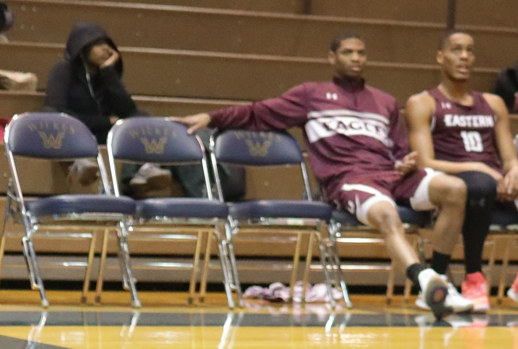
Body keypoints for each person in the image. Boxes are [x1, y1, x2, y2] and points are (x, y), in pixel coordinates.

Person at [182, 33, 473, 316]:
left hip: (391, 175)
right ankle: (425, 282)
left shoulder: (384, 101)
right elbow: (258, 113)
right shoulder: (311, 95)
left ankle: (438, 280)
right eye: (348, 52)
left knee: (456, 189)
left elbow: (398, 150)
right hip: (348, 178)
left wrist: (405, 162)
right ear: (332, 57)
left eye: (361, 53)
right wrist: (212, 117)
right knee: (387, 215)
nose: (356, 58)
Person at [404, 31, 518, 316]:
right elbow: (426, 163)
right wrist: (479, 168)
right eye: (456, 50)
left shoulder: (492, 103)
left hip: (496, 183)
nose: (465, 56)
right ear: (440, 57)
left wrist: (516, 171)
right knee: (479, 184)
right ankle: (473, 278)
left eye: (469, 51)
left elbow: (509, 158)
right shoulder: (423, 102)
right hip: (457, 185)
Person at [44, 22, 155, 194]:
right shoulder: (63, 70)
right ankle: (78, 163)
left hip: (104, 135)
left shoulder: (105, 76)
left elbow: (127, 111)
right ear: (82, 47)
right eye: (98, 44)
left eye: (107, 44)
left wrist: (109, 72)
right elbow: (57, 111)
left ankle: (142, 171)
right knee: (52, 116)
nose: (106, 49)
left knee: (141, 116)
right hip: (75, 134)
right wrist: (104, 121)